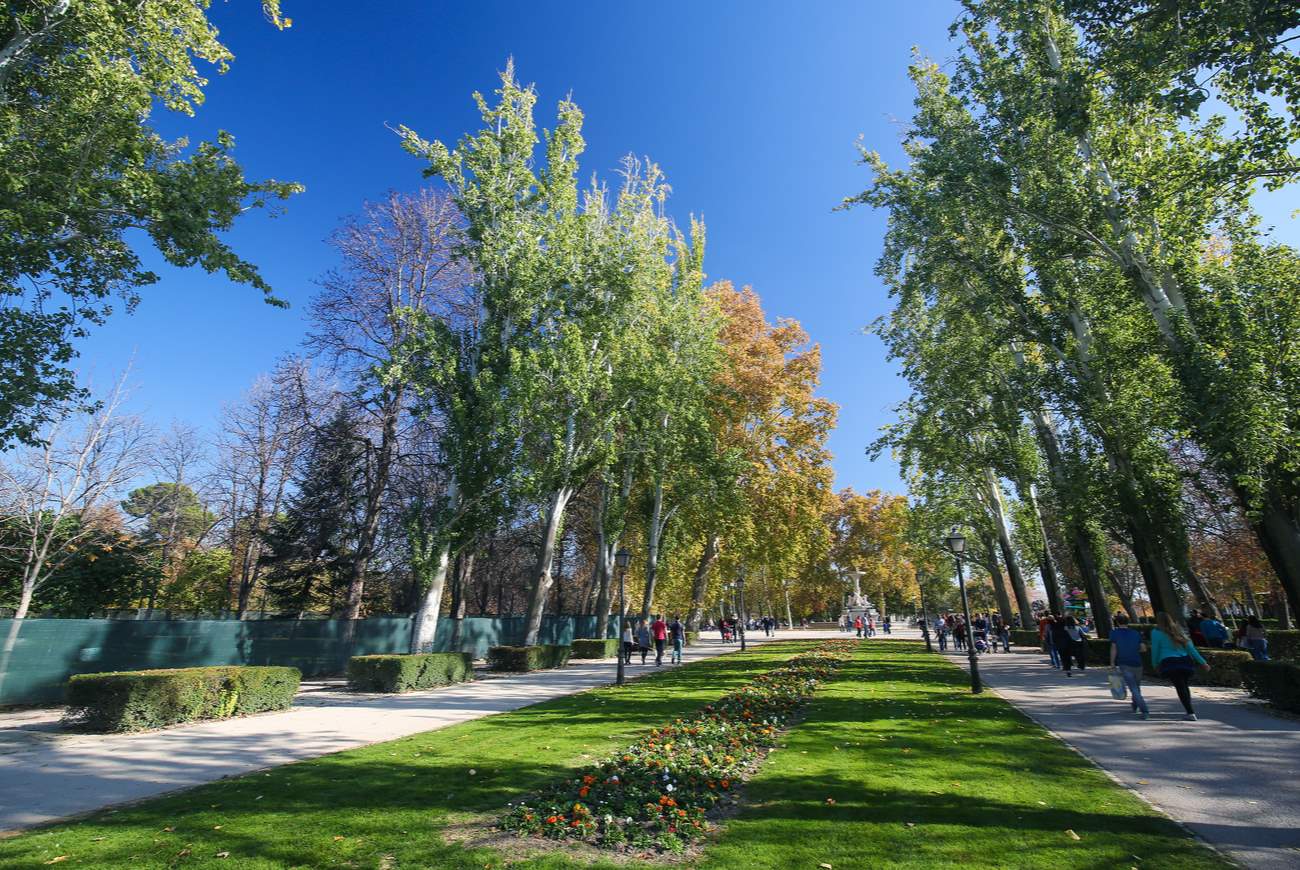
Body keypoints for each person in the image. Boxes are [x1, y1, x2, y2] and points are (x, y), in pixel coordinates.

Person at [1151, 611, 1210, 721]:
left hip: (1170, 662)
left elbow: (1155, 649)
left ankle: (1190, 712)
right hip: (1184, 661)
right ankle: (1189, 710)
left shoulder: (1156, 632)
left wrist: (1154, 664)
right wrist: (1203, 662)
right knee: (1184, 686)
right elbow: (1190, 648)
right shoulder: (1178, 630)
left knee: (1180, 687)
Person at [1109, 612, 1150, 719]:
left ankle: (1144, 710)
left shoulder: (1114, 633)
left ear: (1117, 622)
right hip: (1137, 662)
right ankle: (1135, 705)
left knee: (1133, 688)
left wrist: (1112, 662)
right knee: (1136, 687)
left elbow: (1114, 648)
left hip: (1124, 662)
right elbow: (1143, 648)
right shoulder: (1136, 633)